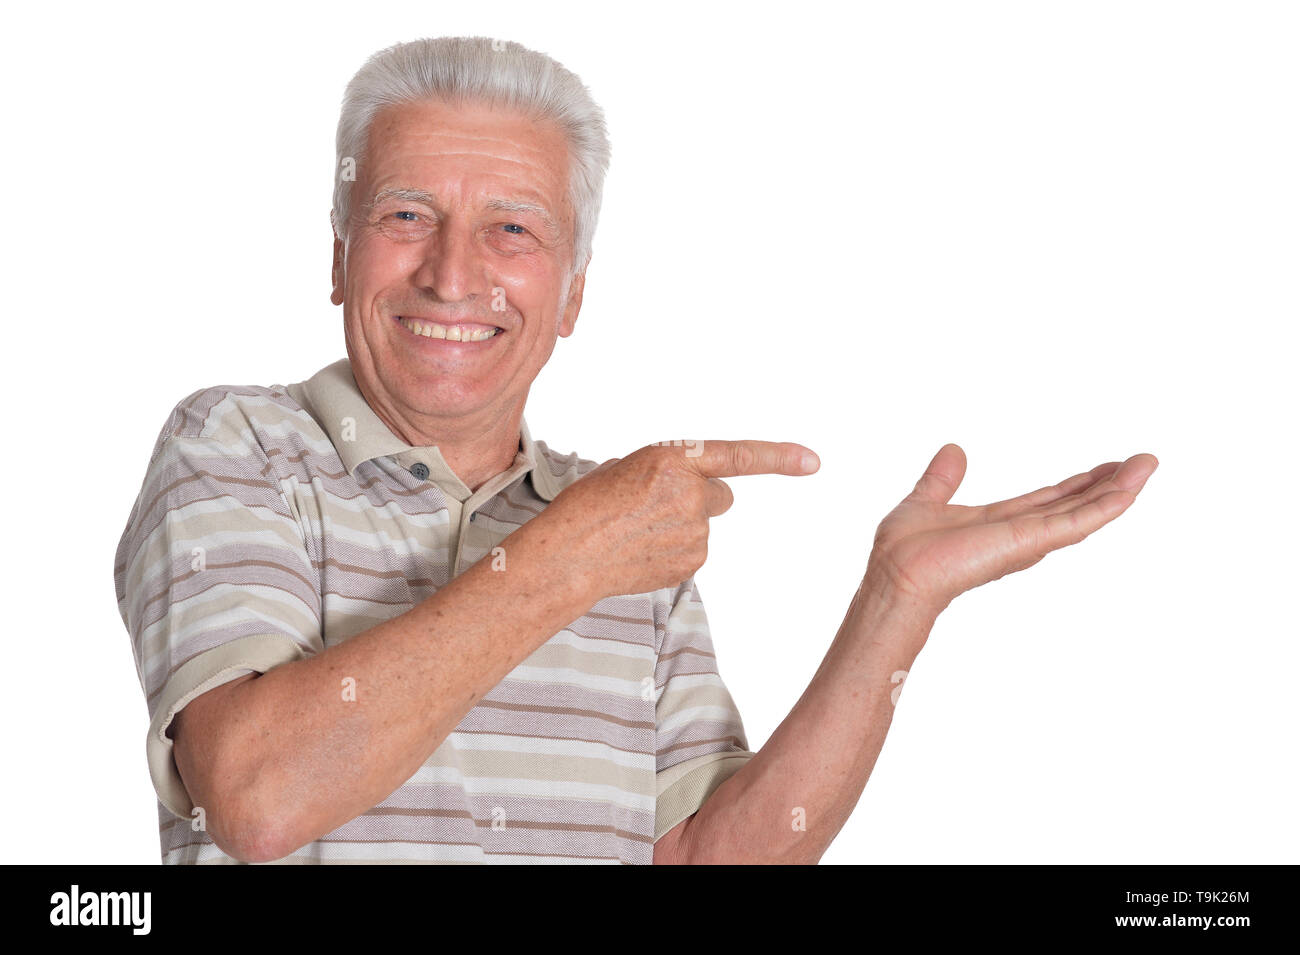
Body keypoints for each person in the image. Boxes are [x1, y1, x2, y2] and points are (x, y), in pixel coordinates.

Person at [113, 36, 1157, 864]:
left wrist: (896, 603)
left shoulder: (623, 527)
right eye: (404, 214)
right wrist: (570, 557)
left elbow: (711, 861)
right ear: (338, 258)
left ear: (572, 296)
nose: (452, 273)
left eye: (513, 229)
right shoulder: (236, 446)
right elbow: (256, 798)